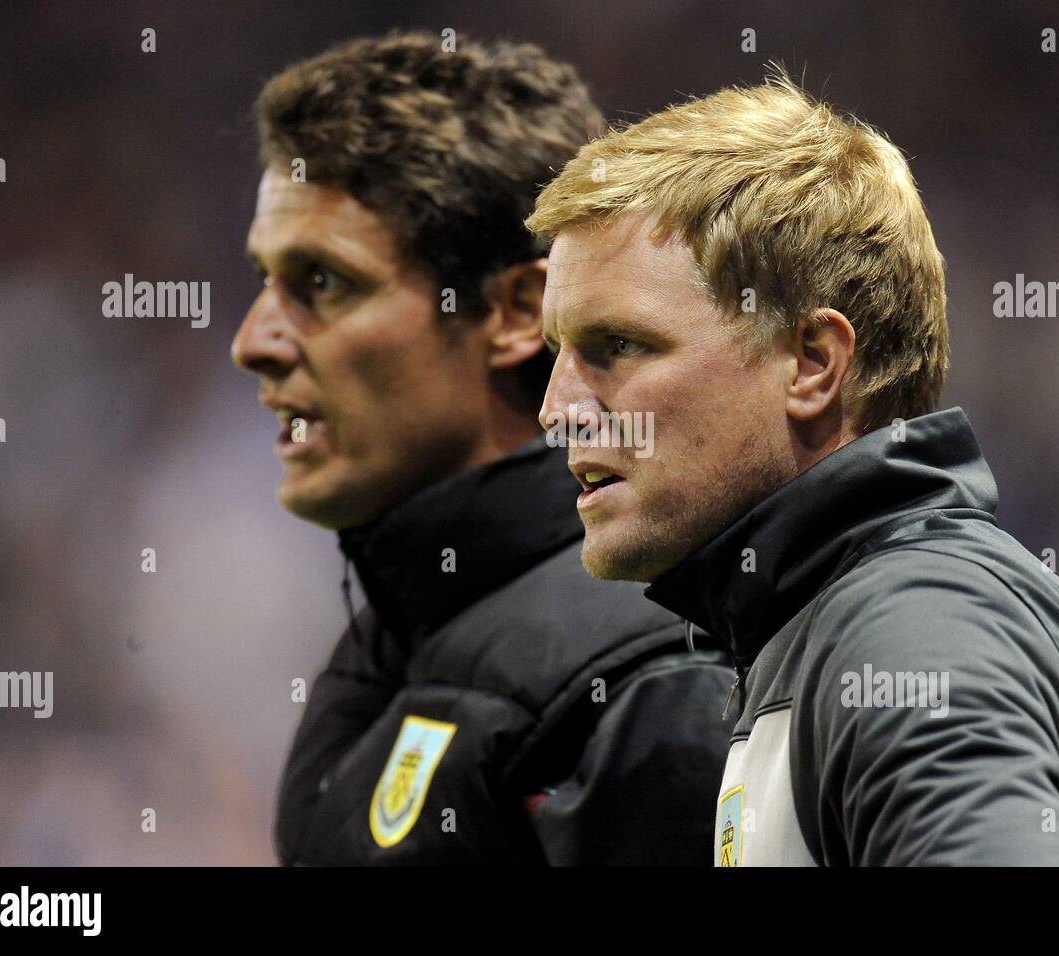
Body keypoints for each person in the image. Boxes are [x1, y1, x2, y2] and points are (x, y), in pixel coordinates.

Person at [526, 72, 1059, 865]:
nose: (558, 410)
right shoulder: (816, 626)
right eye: (559, 354)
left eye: (618, 346)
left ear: (812, 363)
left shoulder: (914, 629)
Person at [232, 31, 734, 865]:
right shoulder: (397, 637)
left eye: (321, 282)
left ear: (515, 312)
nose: (255, 341)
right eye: (264, 280)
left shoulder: (646, 681)